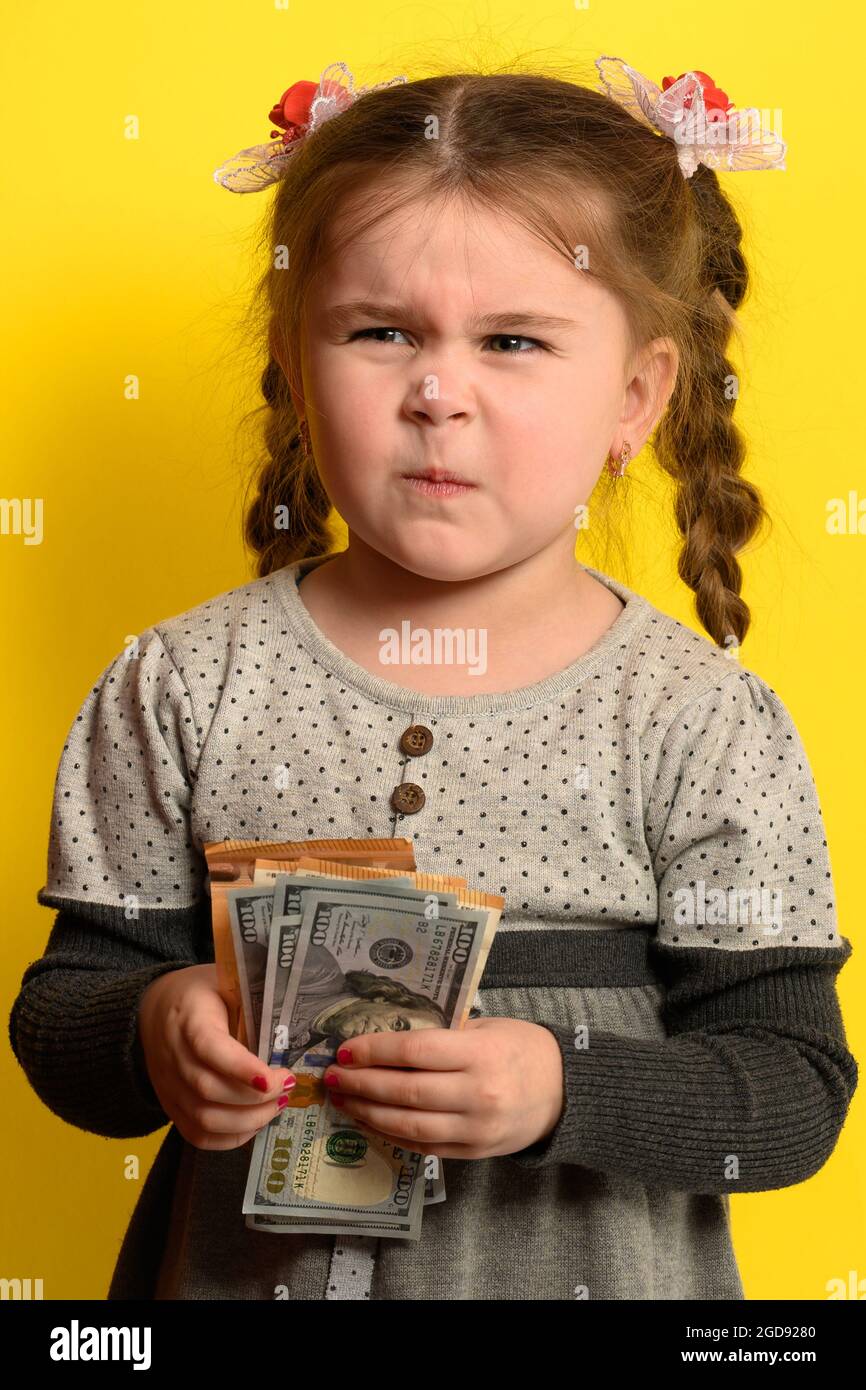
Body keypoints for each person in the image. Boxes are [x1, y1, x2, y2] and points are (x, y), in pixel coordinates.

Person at [9, 56, 858, 1301]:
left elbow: (792, 1087)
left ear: (635, 396)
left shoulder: (694, 721)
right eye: (379, 331)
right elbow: (63, 1018)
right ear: (297, 368)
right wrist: (153, 1029)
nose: (435, 394)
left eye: (511, 339)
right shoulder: (180, 684)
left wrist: (563, 1082)